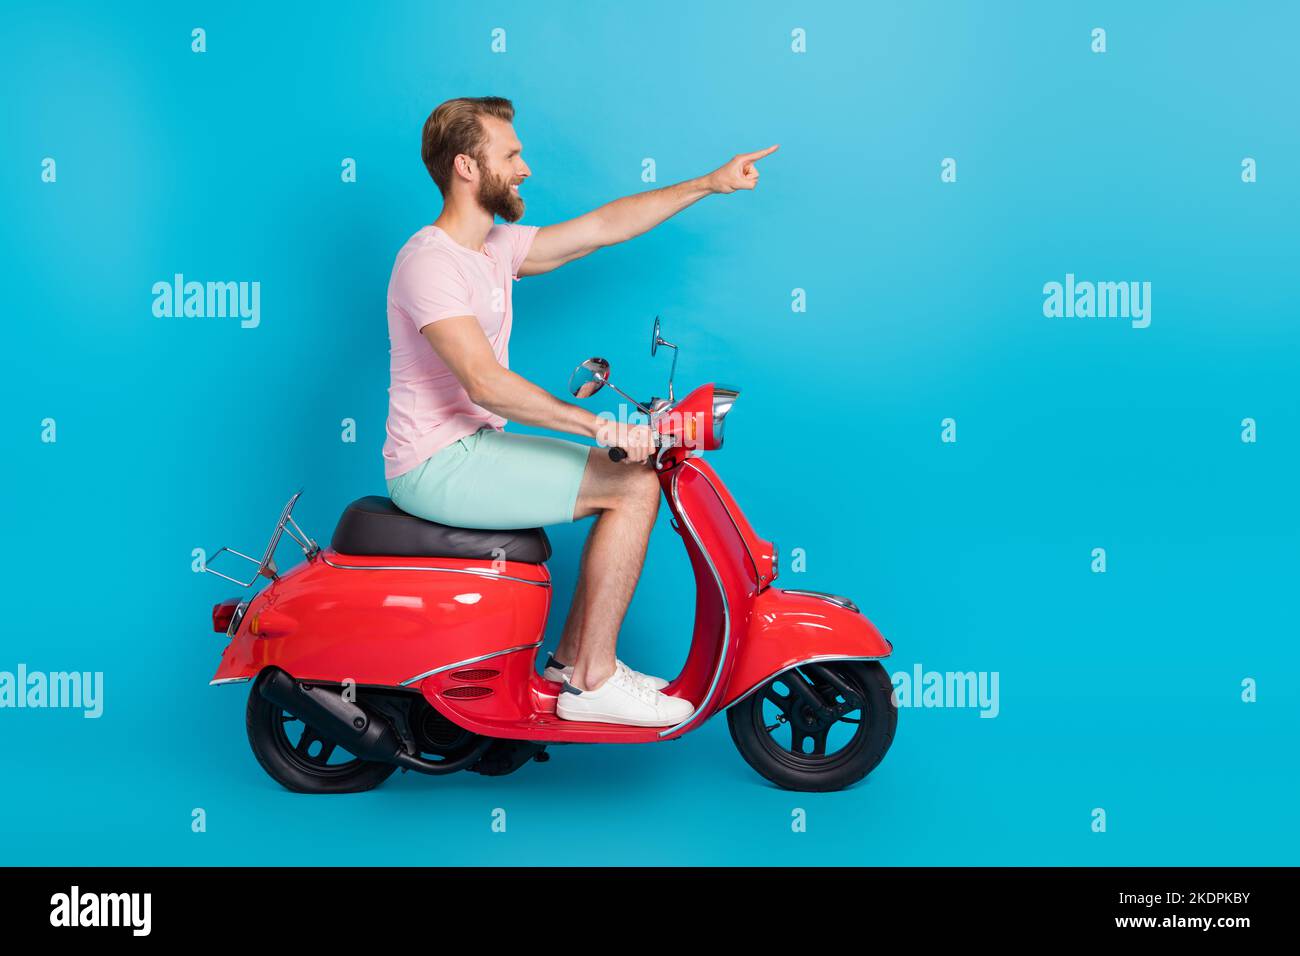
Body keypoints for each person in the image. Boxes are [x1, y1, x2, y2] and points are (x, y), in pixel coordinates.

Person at [383, 95, 776, 726]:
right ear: (465, 166)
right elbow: (485, 383)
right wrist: (598, 425)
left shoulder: (494, 249)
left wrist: (708, 183)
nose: (525, 168)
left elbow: (604, 226)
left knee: (629, 476)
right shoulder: (429, 261)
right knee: (630, 483)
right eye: (510, 155)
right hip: (436, 463)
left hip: (471, 449)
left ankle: (571, 664)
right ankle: (593, 680)